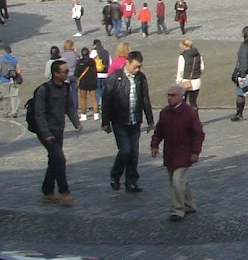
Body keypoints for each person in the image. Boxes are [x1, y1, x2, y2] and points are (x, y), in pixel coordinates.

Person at [150, 84, 204, 222]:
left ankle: (177, 210)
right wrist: (154, 145)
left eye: (172, 95)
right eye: (168, 95)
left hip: (184, 153)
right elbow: (159, 131)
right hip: (170, 153)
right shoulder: (165, 112)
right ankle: (189, 204)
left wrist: (195, 151)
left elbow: (198, 134)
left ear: (182, 96)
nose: (169, 98)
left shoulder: (190, 113)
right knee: (178, 182)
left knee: (177, 181)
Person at [101, 51, 153, 193]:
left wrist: (150, 121)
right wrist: (105, 121)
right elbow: (107, 100)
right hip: (119, 120)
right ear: (127, 62)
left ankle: (131, 182)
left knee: (134, 153)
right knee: (125, 150)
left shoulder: (141, 78)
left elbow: (145, 99)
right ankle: (115, 175)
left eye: (140, 67)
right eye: (135, 67)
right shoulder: (115, 77)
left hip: (135, 120)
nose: (137, 70)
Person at [31, 58, 81, 204]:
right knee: (60, 158)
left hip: (59, 129)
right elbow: (39, 114)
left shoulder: (66, 88)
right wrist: (45, 134)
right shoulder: (43, 90)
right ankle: (64, 191)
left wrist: (76, 123)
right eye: (64, 71)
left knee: (54, 160)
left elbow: (70, 107)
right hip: (46, 131)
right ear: (55, 73)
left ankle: (47, 191)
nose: (67, 73)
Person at [176, 38, 203, 110]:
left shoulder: (182, 56)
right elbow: (202, 68)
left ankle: (183, 119)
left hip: (185, 81)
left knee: (182, 102)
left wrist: (178, 82)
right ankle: (195, 119)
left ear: (184, 46)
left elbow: (180, 71)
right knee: (193, 102)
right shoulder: (198, 55)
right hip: (197, 81)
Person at [75, 46, 100, 120]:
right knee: (93, 98)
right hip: (92, 81)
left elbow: (76, 73)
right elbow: (95, 71)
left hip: (83, 82)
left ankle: (83, 115)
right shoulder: (92, 61)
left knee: (83, 99)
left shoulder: (80, 62)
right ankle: (96, 114)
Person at [0, 43, 22, 118]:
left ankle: (6, 112)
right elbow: (19, 71)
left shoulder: (0, 60)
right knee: (14, 96)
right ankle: (14, 111)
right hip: (13, 80)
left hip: (4, 80)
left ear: (4, 52)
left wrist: (2, 75)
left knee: (6, 96)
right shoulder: (14, 59)